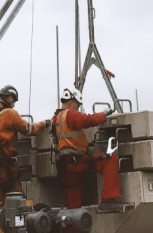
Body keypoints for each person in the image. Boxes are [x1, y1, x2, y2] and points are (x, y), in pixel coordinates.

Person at [52, 88, 123, 219]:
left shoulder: (56, 118)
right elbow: (87, 120)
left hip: (67, 170)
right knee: (110, 159)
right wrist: (103, 114)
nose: (78, 108)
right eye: (78, 105)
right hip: (79, 163)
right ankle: (107, 200)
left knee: (73, 215)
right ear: (72, 102)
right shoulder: (70, 114)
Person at [0, 84, 49, 206]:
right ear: (10, 98)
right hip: (6, 166)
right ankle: (20, 224)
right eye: (14, 101)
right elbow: (29, 130)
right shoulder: (9, 114)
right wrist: (44, 123)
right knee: (19, 202)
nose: (14, 105)